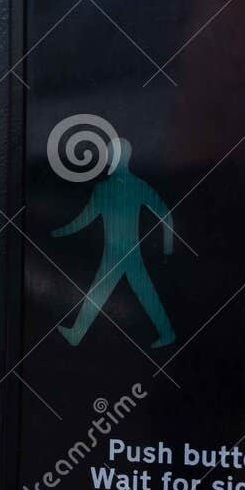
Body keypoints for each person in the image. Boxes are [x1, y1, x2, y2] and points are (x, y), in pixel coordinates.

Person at [52, 139, 176, 348]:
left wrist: (60, 232)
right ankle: (167, 333)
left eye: (110, 154)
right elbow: (166, 215)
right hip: (124, 253)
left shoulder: (106, 188)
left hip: (118, 254)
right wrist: (168, 247)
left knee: (104, 293)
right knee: (130, 293)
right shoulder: (136, 186)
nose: (107, 159)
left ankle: (77, 333)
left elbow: (83, 220)